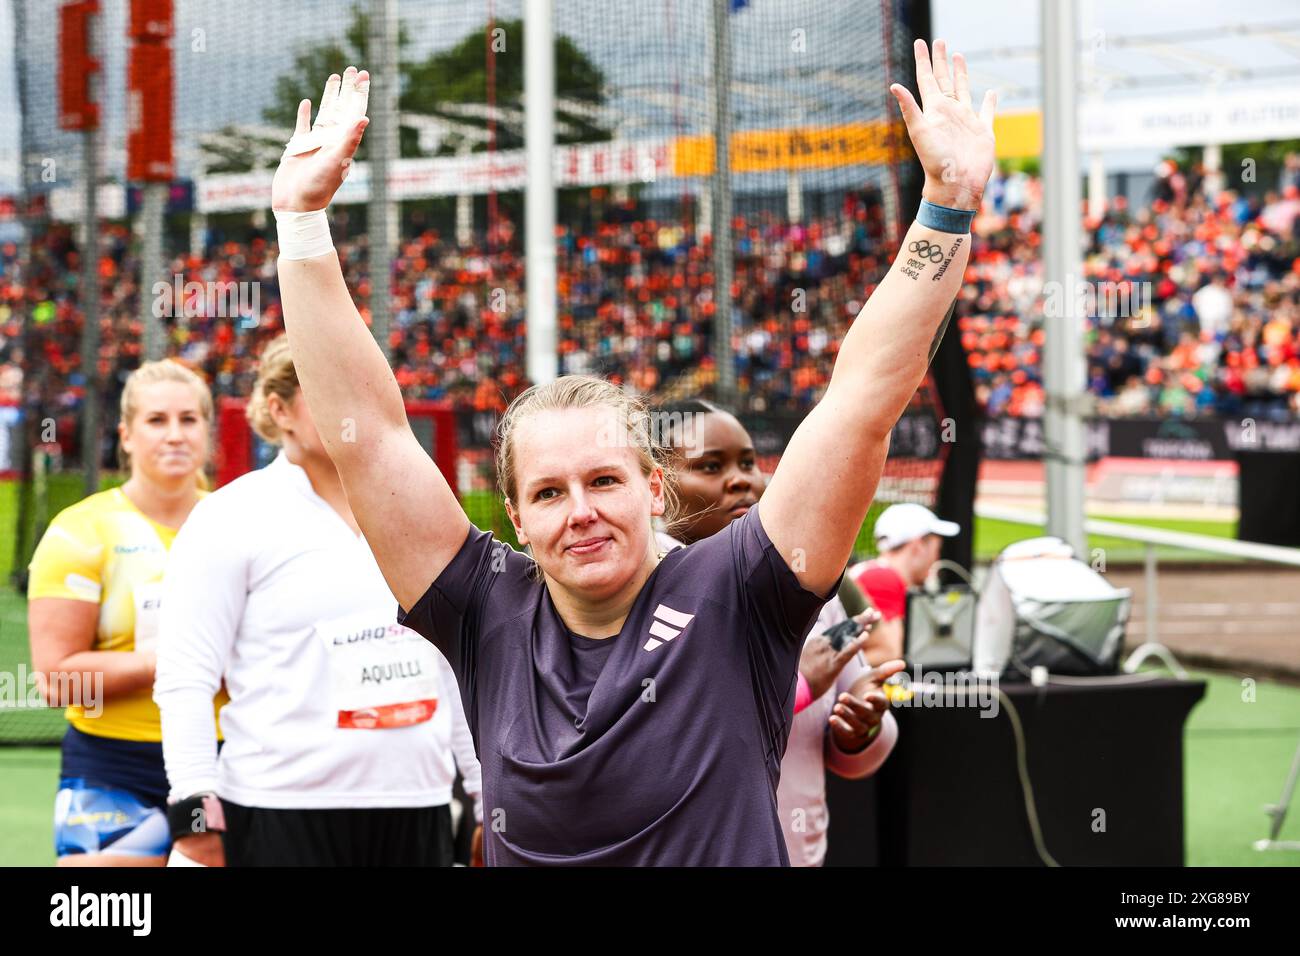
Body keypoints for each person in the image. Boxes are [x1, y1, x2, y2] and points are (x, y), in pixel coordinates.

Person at [273, 41, 995, 864]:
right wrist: (300, 223)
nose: (580, 511)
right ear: (513, 515)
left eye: (604, 480)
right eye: (547, 493)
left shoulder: (742, 592)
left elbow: (862, 403)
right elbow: (370, 438)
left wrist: (946, 204)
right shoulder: (483, 609)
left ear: (654, 489)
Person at [155, 336, 481, 867]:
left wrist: (489, 793)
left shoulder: (419, 509)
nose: (350, 408)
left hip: (416, 807)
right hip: (278, 807)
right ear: (278, 410)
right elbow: (186, 677)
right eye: (326, 391)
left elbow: (454, 666)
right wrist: (193, 810)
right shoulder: (231, 516)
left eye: (358, 390)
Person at [659, 398, 901, 867]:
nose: (742, 479)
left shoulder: (808, 585)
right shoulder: (644, 593)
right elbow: (670, 734)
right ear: (657, 485)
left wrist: (864, 731)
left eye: (748, 462)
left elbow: (853, 756)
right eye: (711, 465)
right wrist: (801, 683)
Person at [27, 360, 226, 865]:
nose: (175, 435)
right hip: (114, 764)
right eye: (157, 421)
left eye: (189, 420)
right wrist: (185, 660)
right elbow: (56, 681)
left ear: (208, 431)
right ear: (127, 435)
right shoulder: (81, 531)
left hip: (231, 763)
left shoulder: (240, 525)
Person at [849, 503, 961, 666]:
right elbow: (889, 654)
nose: (936, 558)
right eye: (937, 549)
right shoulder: (882, 577)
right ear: (918, 546)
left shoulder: (878, 573)